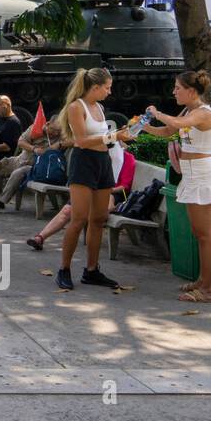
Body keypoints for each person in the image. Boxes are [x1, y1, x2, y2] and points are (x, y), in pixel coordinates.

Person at [140, 70, 211, 303]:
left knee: (208, 235)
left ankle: (209, 290)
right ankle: (202, 280)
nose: (174, 91)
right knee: (200, 234)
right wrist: (142, 127)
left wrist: (157, 113)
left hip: (202, 176)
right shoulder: (189, 110)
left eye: (177, 87)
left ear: (191, 91)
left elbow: (178, 124)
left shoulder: (202, 113)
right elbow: (169, 131)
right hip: (191, 177)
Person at [54, 68, 134, 289]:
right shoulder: (75, 107)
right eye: (107, 87)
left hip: (102, 162)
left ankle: (91, 270)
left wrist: (121, 137)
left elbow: (103, 141)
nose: (109, 92)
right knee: (78, 218)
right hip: (83, 163)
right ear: (95, 87)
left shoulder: (98, 107)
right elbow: (81, 140)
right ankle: (64, 268)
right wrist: (114, 135)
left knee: (98, 219)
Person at [27, 146, 136, 250]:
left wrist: (106, 190)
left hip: (113, 193)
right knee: (67, 210)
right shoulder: (96, 154)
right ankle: (40, 238)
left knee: (102, 209)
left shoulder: (128, 158)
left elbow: (124, 186)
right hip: (90, 190)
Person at [0, 120, 65, 213]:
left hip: (34, 167)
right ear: (47, 124)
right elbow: (21, 142)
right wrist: (33, 148)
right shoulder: (35, 128)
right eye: (53, 130)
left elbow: (69, 142)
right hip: (20, 159)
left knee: (18, 173)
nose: (55, 133)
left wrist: (58, 144)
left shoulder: (61, 137)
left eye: (58, 131)